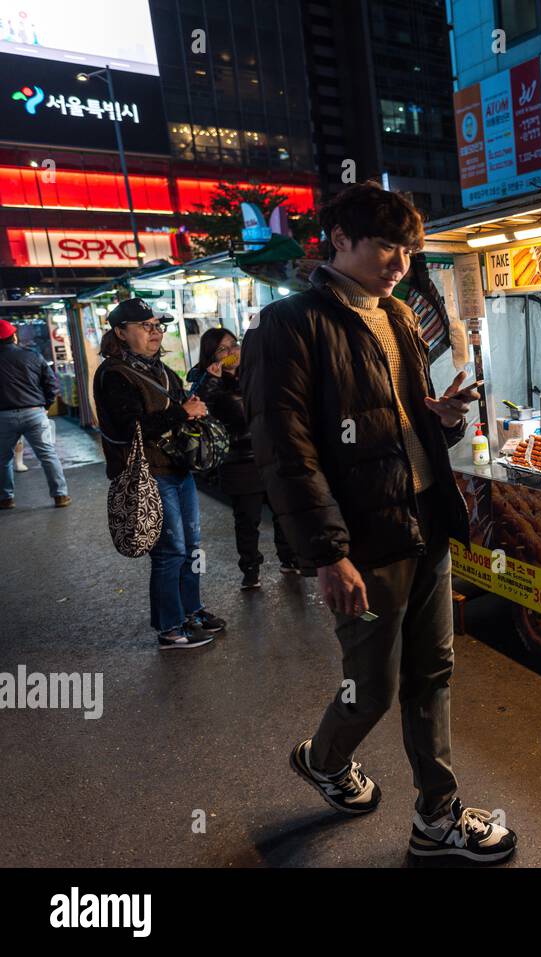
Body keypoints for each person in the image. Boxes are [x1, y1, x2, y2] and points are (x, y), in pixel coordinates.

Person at [244, 181, 517, 863]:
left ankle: (437, 816)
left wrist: (441, 420)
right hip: (363, 538)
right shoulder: (290, 324)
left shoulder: (397, 316)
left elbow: (400, 421)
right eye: (387, 244)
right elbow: (287, 450)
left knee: (436, 674)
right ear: (339, 238)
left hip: (426, 517)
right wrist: (327, 552)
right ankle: (324, 757)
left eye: (408, 247)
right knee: (371, 688)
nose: (400, 260)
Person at [92, 299, 226, 650]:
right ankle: (170, 628)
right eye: (145, 326)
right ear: (120, 332)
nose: (155, 332)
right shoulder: (113, 374)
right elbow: (130, 426)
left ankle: (192, 611)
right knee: (170, 552)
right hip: (147, 474)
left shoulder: (161, 369)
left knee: (192, 546)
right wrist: (182, 413)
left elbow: (186, 407)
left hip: (177, 468)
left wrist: (201, 396)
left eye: (157, 325)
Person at [187, 327, 296, 590]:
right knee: (248, 520)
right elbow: (202, 414)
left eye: (233, 345)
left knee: (284, 511)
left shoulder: (253, 373)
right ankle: (250, 570)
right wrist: (211, 383)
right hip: (240, 460)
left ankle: (289, 559)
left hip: (270, 455)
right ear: (211, 356)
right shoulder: (205, 382)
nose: (231, 353)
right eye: (222, 350)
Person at [0, 318, 70, 509]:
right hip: (34, 412)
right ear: (13, 336)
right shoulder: (32, 355)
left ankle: (6, 498)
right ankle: (60, 496)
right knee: (48, 455)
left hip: (3, 417)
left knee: (3, 459)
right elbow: (51, 383)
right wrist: (46, 405)